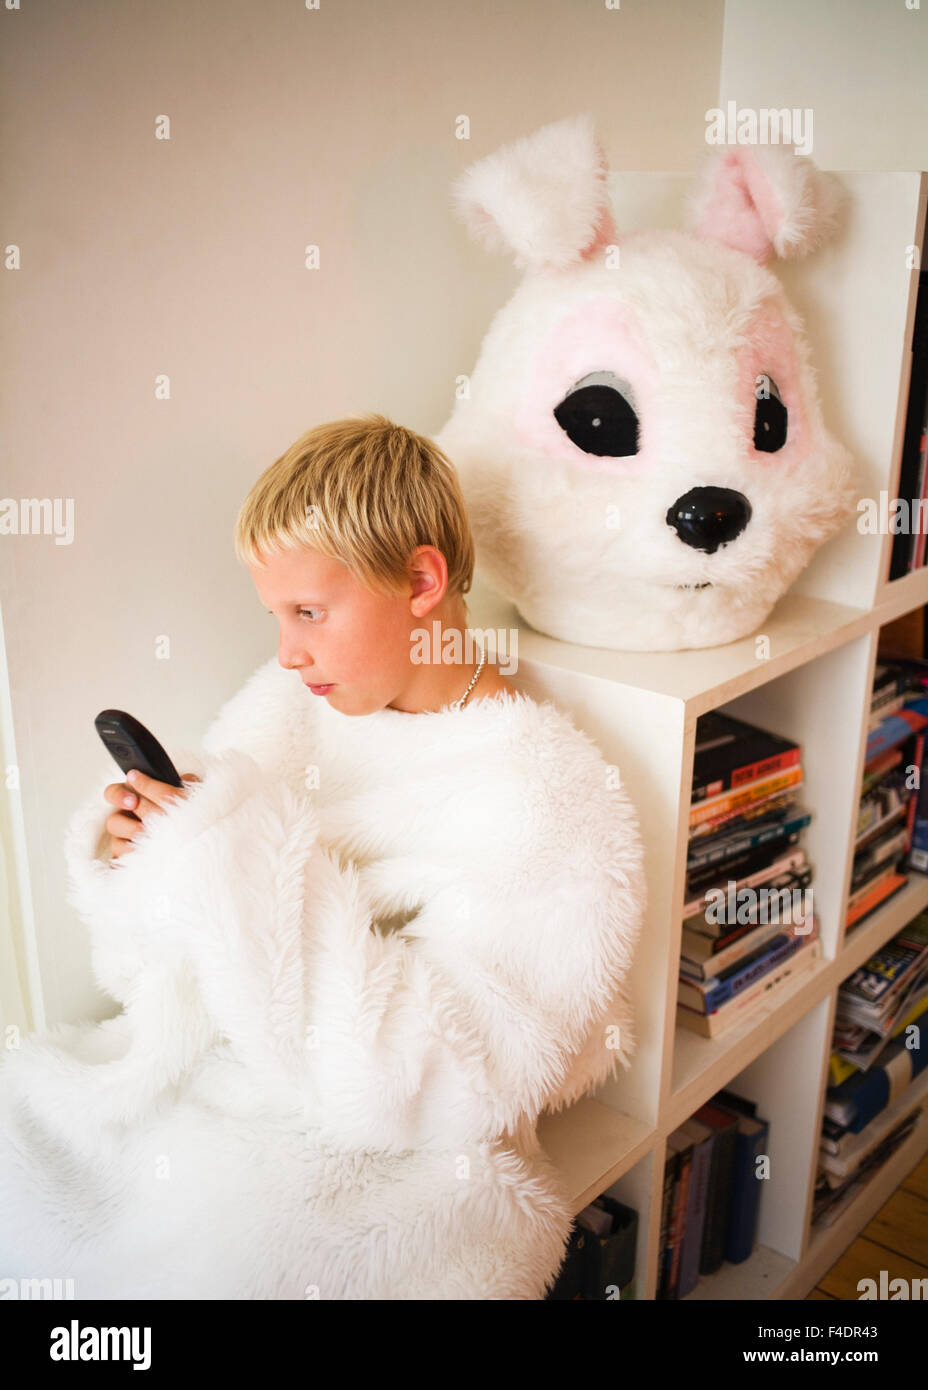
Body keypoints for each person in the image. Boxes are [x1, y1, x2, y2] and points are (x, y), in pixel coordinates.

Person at [0, 414, 645, 1300]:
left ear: (422, 579)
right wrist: (147, 862)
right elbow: (156, 970)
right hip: (200, 1077)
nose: (287, 651)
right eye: (277, 616)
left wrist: (233, 864)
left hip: (368, 1153)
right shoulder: (295, 702)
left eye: (308, 613)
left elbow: (442, 1079)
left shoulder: (546, 798)